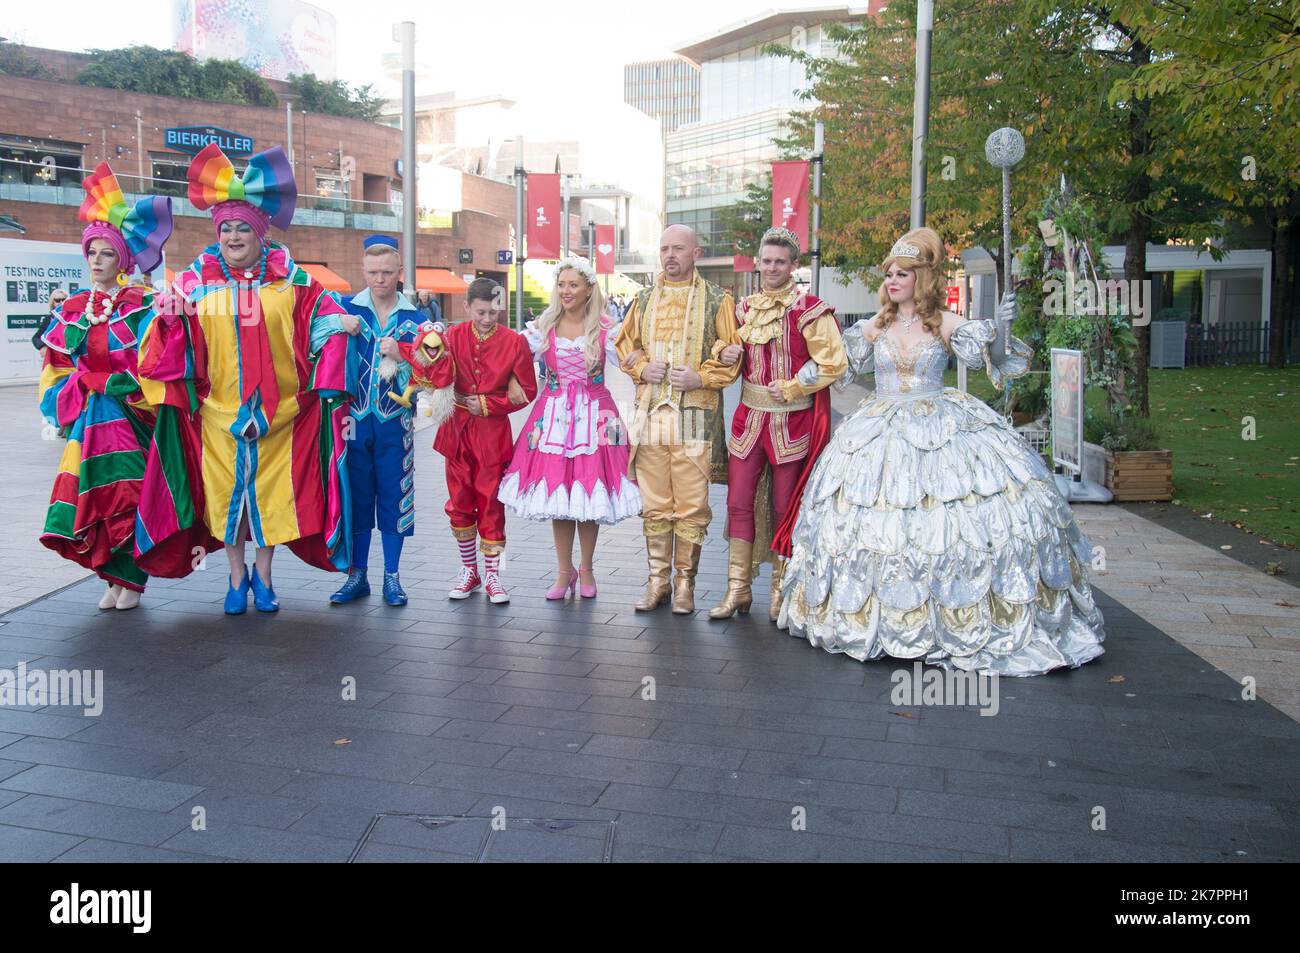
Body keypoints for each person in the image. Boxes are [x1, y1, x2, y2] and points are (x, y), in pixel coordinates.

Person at [778, 227, 1106, 675]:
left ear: (922, 279)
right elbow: (836, 362)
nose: (892, 281)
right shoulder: (877, 325)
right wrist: (789, 381)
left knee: (957, 516)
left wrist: (999, 326)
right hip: (881, 428)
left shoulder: (942, 322)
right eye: (889, 274)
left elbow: (987, 356)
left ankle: (959, 614)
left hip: (943, 423)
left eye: (902, 274)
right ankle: (880, 613)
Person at [135, 142, 360, 615]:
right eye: (226, 229)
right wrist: (170, 319)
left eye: (243, 228)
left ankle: (264, 577)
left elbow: (322, 318)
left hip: (283, 417)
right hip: (217, 416)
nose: (234, 236)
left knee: (272, 498)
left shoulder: (291, 278)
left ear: (260, 233)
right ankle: (236, 578)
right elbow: (163, 338)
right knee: (227, 501)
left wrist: (340, 328)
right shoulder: (194, 280)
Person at [37, 163, 173, 610]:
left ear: (124, 260)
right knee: (91, 493)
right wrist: (79, 389)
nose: (97, 260)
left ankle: (131, 580)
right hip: (90, 421)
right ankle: (109, 576)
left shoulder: (142, 305)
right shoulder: (73, 309)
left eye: (107, 254)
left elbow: (157, 362)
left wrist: (118, 384)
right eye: (92, 252)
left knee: (128, 491)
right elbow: (55, 369)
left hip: (132, 417)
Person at [710, 227, 847, 620]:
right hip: (749, 420)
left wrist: (792, 386)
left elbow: (834, 363)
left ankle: (780, 592)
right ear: (758, 263)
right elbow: (727, 354)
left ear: (793, 265)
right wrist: (725, 351)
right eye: (766, 261)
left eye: (780, 262)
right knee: (737, 503)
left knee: (785, 506)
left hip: (792, 422)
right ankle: (737, 589)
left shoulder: (811, 309)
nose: (772, 268)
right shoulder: (743, 309)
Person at [613, 224, 741, 614]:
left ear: (696, 253)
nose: (670, 256)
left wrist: (702, 376)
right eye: (665, 248)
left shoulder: (719, 300)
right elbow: (625, 346)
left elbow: (731, 352)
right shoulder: (644, 298)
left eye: (678, 249)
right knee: (654, 501)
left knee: (690, 502)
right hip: (652, 412)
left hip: (694, 415)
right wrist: (641, 368)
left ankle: (684, 583)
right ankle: (657, 582)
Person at [497, 256, 641, 600]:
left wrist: (641, 360)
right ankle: (564, 571)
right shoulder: (543, 327)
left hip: (596, 414)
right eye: (561, 285)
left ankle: (587, 568)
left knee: (588, 494)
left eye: (573, 285)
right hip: (553, 417)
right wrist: (514, 379)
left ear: (589, 288)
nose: (566, 291)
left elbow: (632, 361)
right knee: (558, 496)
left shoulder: (607, 329)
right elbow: (507, 356)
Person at [408, 278, 537, 604]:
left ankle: (494, 575)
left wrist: (493, 404)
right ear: (466, 308)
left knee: (492, 504)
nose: (487, 319)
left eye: (494, 312)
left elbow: (528, 391)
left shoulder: (514, 342)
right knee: (459, 502)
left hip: (492, 434)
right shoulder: (450, 337)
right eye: (481, 311)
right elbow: (427, 371)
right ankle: (469, 570)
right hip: (456, 429)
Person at [329, 235, 430, 607]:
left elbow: (433, 374)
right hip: (352, 422)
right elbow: (311, 340)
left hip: (395, 423)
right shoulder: (344, 307)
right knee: (355, 498)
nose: (379, 279)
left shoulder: (416, 320)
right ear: (363, 270)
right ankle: (357, 576)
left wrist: (404, 357)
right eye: (373, 272)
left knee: (394, 496)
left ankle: (392, 576)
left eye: (387, 272)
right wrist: (339, 323)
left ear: (400, 272)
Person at [31, 288, 68, 352]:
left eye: (64, 300)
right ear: (52, 303)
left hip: (71, 355)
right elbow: (36, 338)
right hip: (55, 355)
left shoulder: (75, 317)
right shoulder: (49, 319)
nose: (61, 302)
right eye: (57, 300)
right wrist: (42, 347)